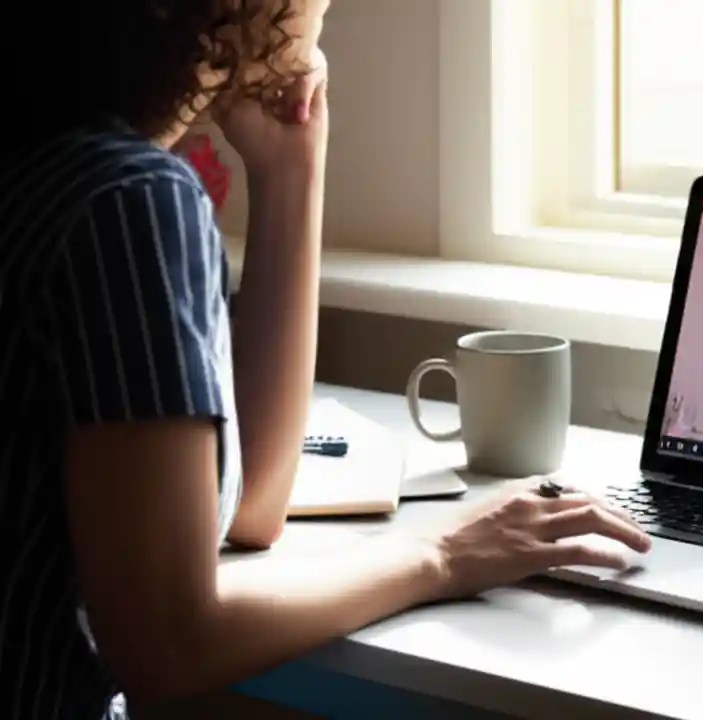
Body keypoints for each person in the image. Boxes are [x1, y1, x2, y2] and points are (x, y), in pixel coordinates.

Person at [0, 3, 649, 718]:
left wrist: (292, 168)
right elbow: (169, 642)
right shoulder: (127, 203)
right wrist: (444, 554)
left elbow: (249, 508)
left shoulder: (59, 166)